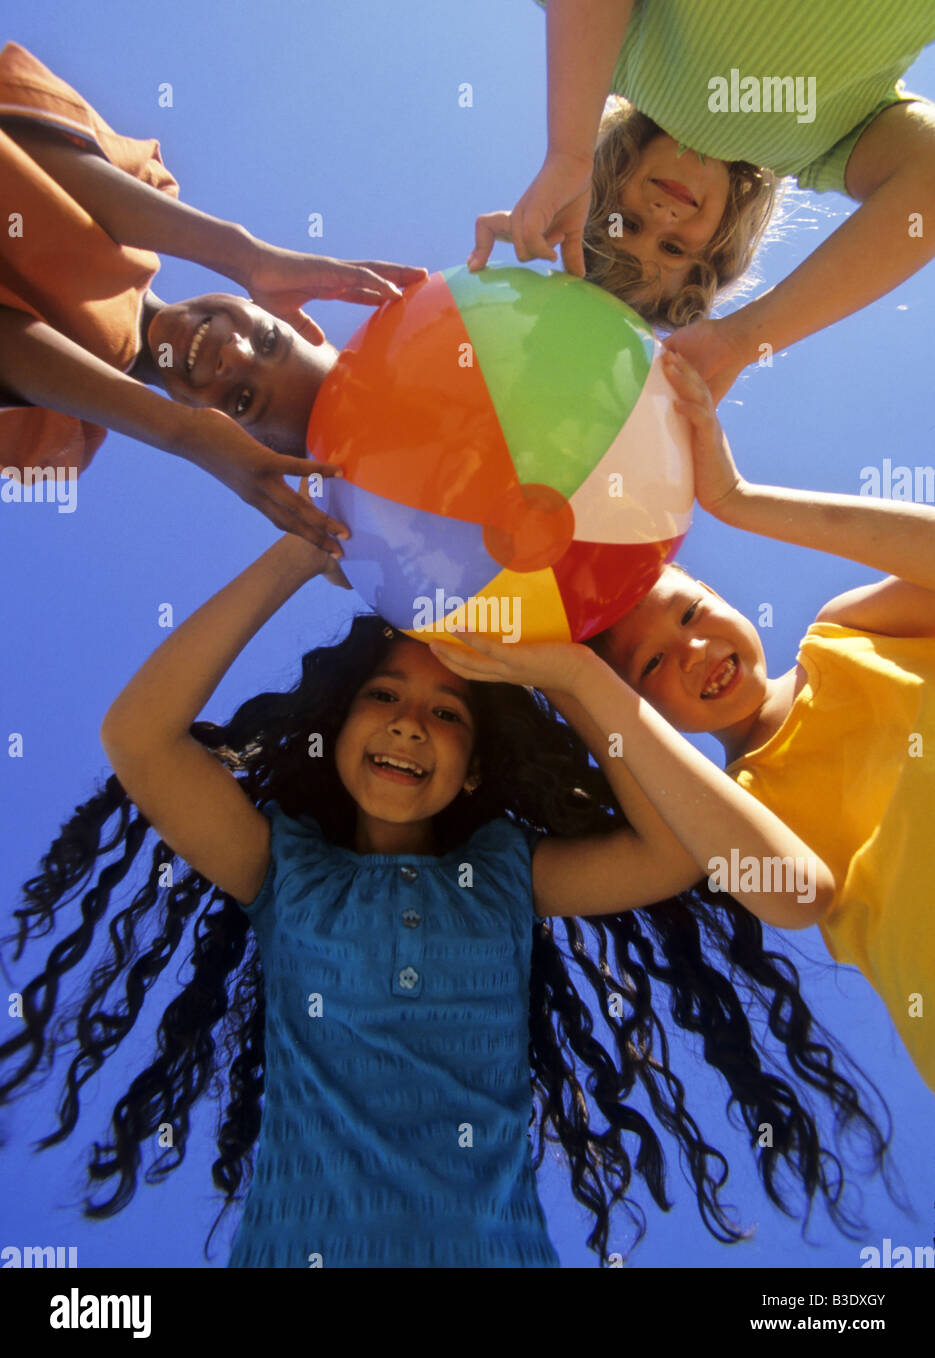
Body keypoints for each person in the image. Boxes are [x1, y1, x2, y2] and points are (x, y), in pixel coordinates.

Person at [0, 502, 895, 1266]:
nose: (409, 726)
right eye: (383, 698)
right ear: (334, 725)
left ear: (475, 765)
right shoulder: (281, 868)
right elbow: (142, 737)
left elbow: (670, 853)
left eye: (445, 712)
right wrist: (299, 552)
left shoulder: (506, 873)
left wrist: (566, 667)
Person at [511, 347, 930, 1093]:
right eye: (647, 667)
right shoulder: (732, 808)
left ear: (713, 589)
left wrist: (735, 498)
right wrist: (574, 673)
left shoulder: (842, 636)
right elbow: (797, 896)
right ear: (637, 704)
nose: (694, 650)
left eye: (691, 612)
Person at [0, 42, 425, 548]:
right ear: (263, 308)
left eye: (243, 400)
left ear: (231, 447)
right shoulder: (147, 186)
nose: (233, 354)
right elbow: (20, 160)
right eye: (269, 341)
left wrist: (185, 433)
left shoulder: (50, 443)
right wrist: (248, 256)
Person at [467, 0, 935, 403]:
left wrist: (569, 153)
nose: (663, 217)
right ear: (719, 248)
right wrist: (744, 338)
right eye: (672, 248)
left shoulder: (618, 53)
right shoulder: (823, 150)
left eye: (627, 222)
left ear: (596, 195)